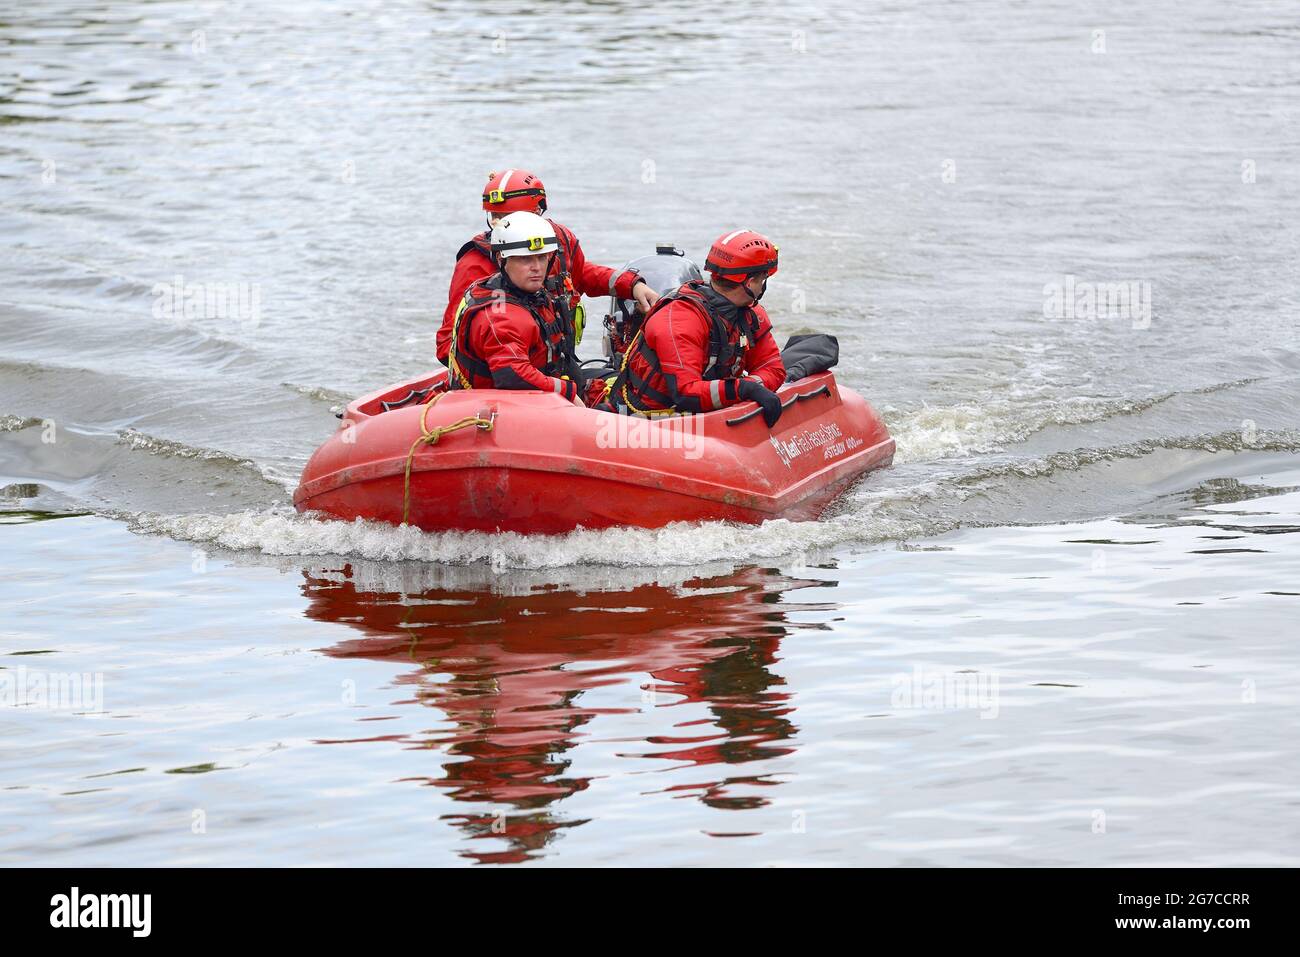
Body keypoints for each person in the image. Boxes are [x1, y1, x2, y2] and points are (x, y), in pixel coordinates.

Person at [436, 168, 657, 366]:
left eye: (508, 217)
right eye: (495, 218)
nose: (500, 226)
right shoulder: (476, 262)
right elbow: (448, 343)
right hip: (506, 375)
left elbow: (580, 274)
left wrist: (632, 285)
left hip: (557, 363)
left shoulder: (559, 241)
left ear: (537, 213)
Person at [602, 229, 787, 426]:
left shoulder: (751, 315)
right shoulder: (680, 319)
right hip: (649, 422)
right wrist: (743, 390)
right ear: (750, 283)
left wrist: (751, 387)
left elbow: (773, 368)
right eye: (763, 279)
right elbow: (687, 393)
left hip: (703, 417)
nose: (762, 286)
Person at [446, 212, 584, 402]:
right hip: (496, 411)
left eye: (542, 257)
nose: (536, 267)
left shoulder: (526, 294)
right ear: (502, 260)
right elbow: (512, 375)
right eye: (525, 259)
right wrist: (567, 391)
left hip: (532, 398)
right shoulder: (501, 318)